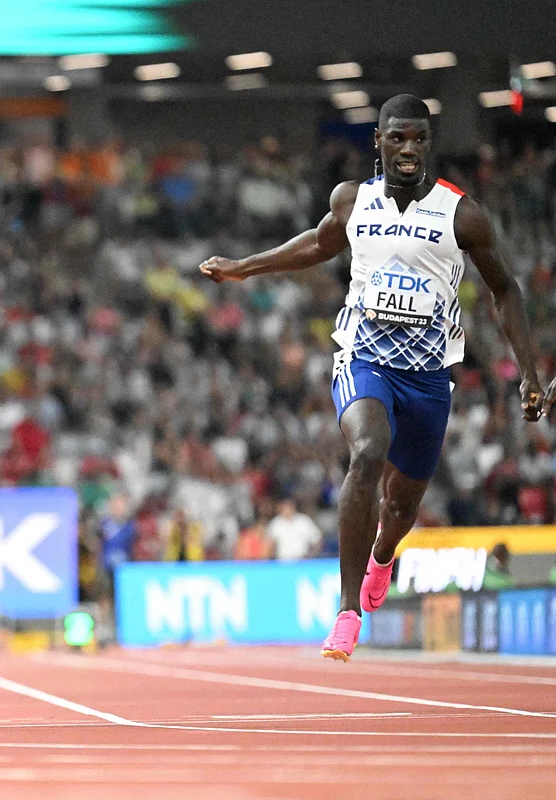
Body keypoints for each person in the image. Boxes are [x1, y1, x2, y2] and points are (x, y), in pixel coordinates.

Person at [199, 94, 542, 661]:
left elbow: (505, 290)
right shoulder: (352, 200)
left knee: (402, 507)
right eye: (398, 138)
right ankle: (346, 611)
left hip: (430, 375)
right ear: (379, 142)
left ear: (429, 145)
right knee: (366, 452)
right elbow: (318, 243)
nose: (409, 149)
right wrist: (244, 266)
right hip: (363, 355)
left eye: (419, 139)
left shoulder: (462, 215)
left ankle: (383, 556)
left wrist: (527, 373)